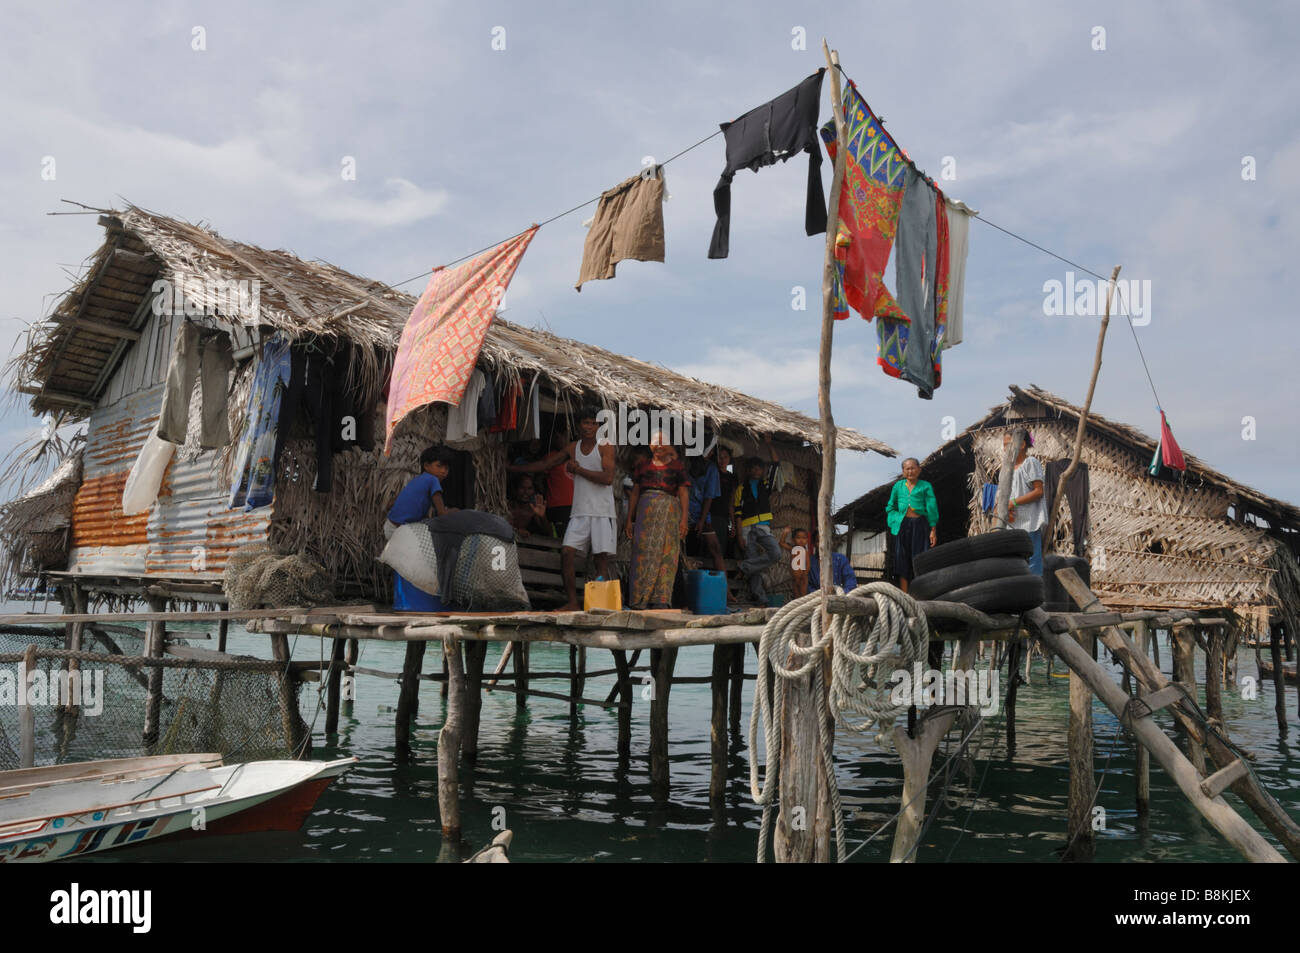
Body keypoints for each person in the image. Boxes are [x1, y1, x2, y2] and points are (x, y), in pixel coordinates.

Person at [558, 408, 617, 610]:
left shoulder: (605, 447)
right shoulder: (573, 448)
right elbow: (545, 463)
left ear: (598, 426)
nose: (589, 426)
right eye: (586, 422)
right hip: (579, 512)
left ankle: (602, 604)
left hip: (602, 512)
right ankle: (573, 602)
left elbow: (608, 479)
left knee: (601, 560)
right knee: (566, 553)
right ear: (579, 425)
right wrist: (512, 468)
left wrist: (578, 470)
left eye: (593, 423)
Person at [626, 433, 691, 609]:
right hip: (645, 515)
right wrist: (629, 520)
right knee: (642, 553)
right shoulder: (643, 467)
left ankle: (661, 600)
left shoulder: (677, 467)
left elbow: (684, 493)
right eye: (656, 442)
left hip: (669, 515)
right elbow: (635, 493)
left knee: (667, 554)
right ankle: (640, 599)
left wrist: (684, 519)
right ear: (650, 445)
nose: (659, 445)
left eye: (664, 442)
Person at [508, 428, 575, 537]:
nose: (525, 492)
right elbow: (543, 467)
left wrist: (542, 516)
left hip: (572, 507)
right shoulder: (507, 507)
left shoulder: (534, 510)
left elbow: (549, 533)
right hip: (557, 507)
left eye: (529, 488)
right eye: (522, 488)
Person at [885, 457, 939, 593]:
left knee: (920, 558)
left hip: (920, 526)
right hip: (902, 526)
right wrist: (895, 520)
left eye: (913, 468)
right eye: (907, 469)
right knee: (902, 559)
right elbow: (890, 507)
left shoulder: (926, 486)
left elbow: (932, 507)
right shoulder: (898, 486)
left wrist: (933, 530)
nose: (910, 471)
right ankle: (904, 595)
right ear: (903, 472)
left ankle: (919, 593)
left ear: (919, 470)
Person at [735, 455, 782, 603]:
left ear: (762, 470)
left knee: (776, 553)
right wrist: (739, 535)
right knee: (754, 561)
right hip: (747, 529)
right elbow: (738, 514)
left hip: (763, 527)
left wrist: (769, 445)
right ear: (748, 471)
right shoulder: (741, 489)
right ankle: (761, 599)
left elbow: (776, 464)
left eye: (759, 468)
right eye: (753, 468)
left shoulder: (766, 485)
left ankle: (744, 567)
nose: (756, 470)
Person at [385, 445, 454, 539]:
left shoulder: (417, 479)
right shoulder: (433, 480)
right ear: (426, 466)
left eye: (446, 468)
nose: (443, 471)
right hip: (402, 531)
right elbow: (442, 513)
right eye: (439, 466)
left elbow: (391, 503)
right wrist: (457, 511)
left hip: (389, 525)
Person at [1005, 431, 1046, 574]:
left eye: (1008, 445)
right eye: (1004, 446)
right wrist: (1005, 510)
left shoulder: (1030, 463)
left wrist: (1013, 503)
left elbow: (1038, 492)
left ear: (1022, 444)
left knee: (1032, 567)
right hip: (1011, 526)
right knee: (1014, 566)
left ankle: (1035, 596)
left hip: (1029, 524)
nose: (1005, 449)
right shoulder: (1006, 469)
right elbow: (1003, 496)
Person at [687, 444, 726, 573]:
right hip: (683, 512)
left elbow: (709, 497)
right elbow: (709, 496)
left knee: (715, 548)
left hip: (699, 514)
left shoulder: (711, 468)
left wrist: (702, 520)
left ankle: (725, 590)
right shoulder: (687, 462)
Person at [712, 445, 738, 559]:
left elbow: (731, 503)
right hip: (709, 514)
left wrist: (733, 524)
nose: (722, 460)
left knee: (720, 548)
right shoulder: (712, 473)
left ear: (730, 459)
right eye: (719, 457)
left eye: (725, 457)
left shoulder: (732, 478)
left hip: (723, 517)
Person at [780, 526, 810, 597]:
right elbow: (781, 543)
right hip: (794, 578)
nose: (801, 540)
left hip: (803, 578)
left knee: (803, 596)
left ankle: (804, 608)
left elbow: (808, 564)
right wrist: (785, 533)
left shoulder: (805, 552)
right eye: (798, 538)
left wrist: (804, 574)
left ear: (807, 540)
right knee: (796, 596)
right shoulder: (792, 549)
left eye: (804, 538)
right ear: (793, 540)